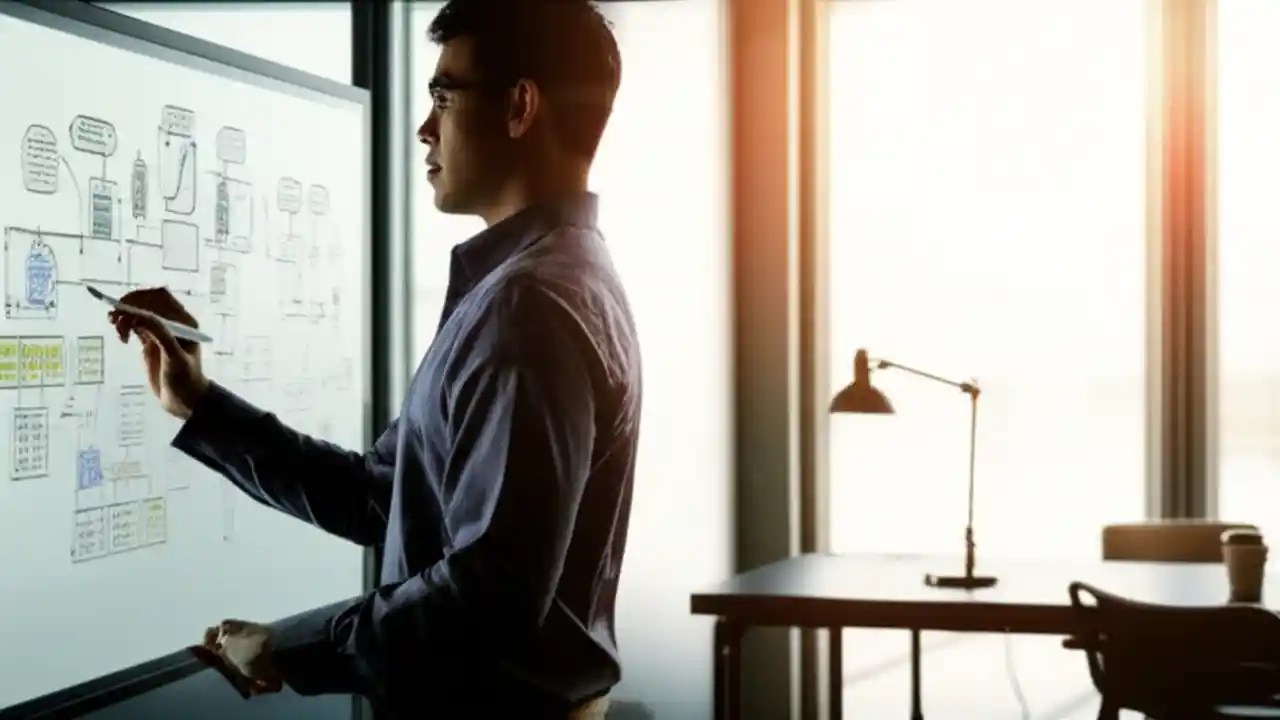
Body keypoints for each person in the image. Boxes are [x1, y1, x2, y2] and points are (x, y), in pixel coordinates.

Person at [108, 1, 639, 716]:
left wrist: (292, 647)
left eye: (444, 96)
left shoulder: (529, 308)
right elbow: (384, 498)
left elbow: (491, 591)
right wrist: (201, 406)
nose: (426, 128)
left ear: (520, 107)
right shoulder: (551, 282)